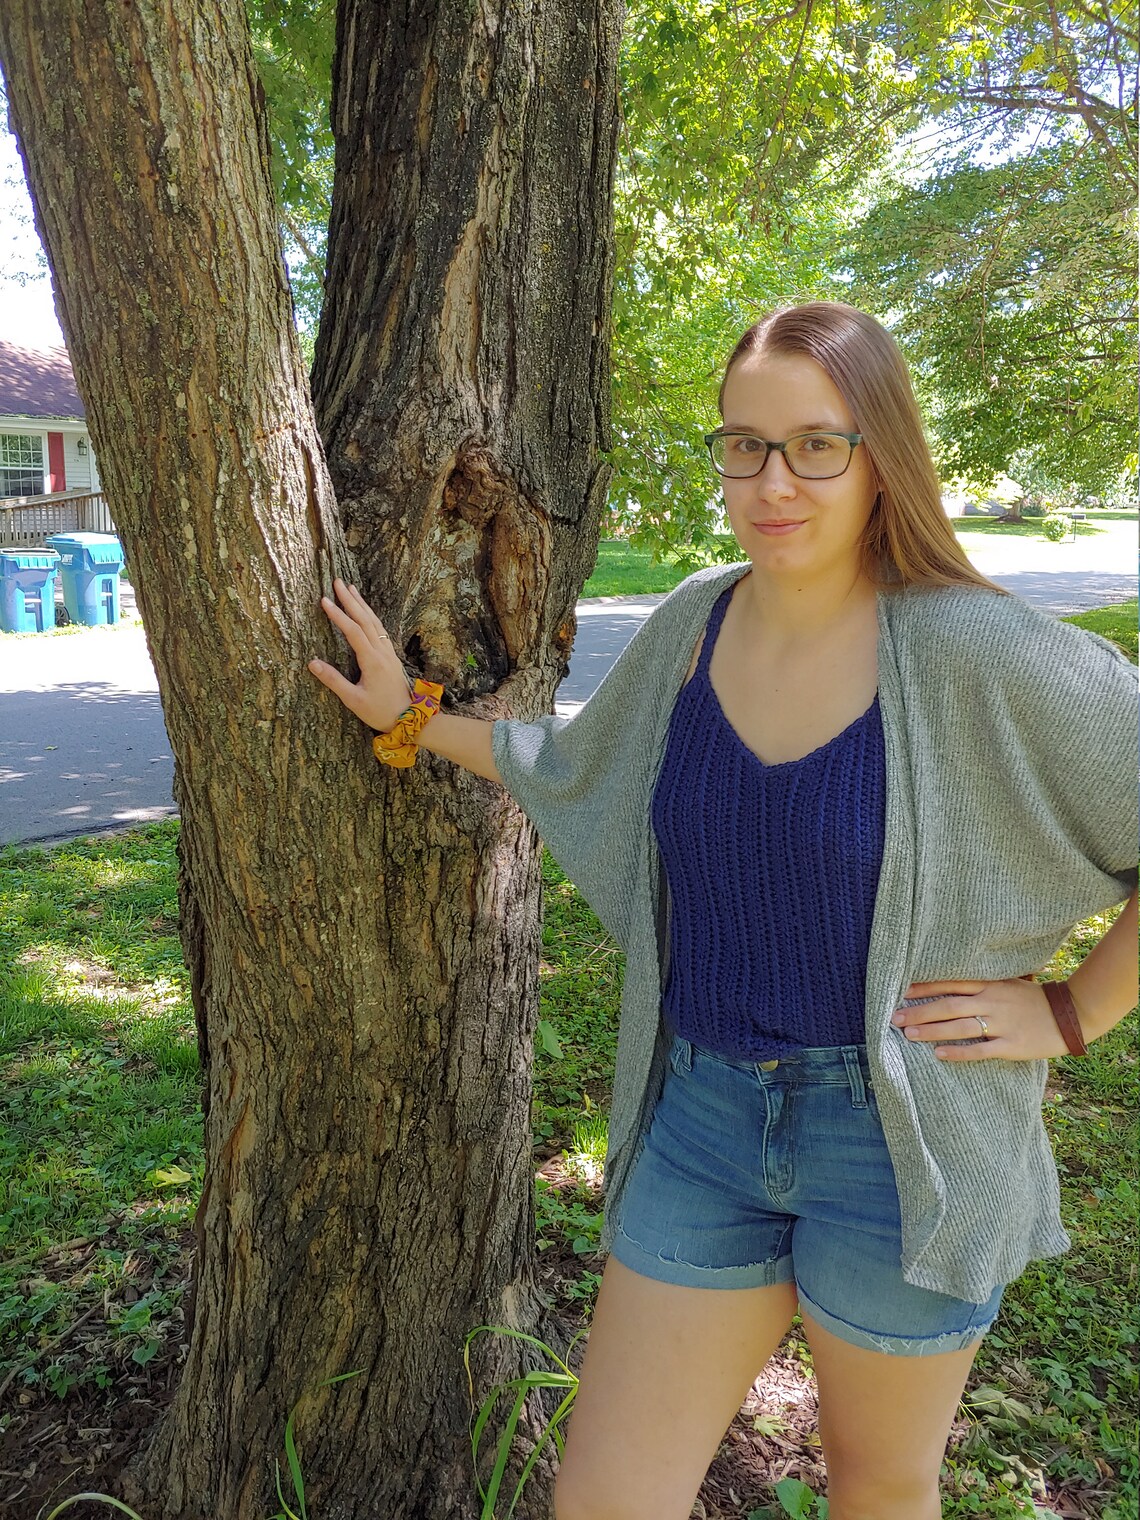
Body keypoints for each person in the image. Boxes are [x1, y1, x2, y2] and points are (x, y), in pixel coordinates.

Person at [308, 302, 1138, 1520]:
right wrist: (412, 717)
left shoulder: (978, 650)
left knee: (877, 1489)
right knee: (605, 1498)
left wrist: (1073, 1011)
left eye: (815, 444)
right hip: (699, 1119)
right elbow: (582, 764)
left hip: (897, 1142)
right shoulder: (699, 617)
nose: (772, 481)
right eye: (742, 444)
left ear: (880, 453)